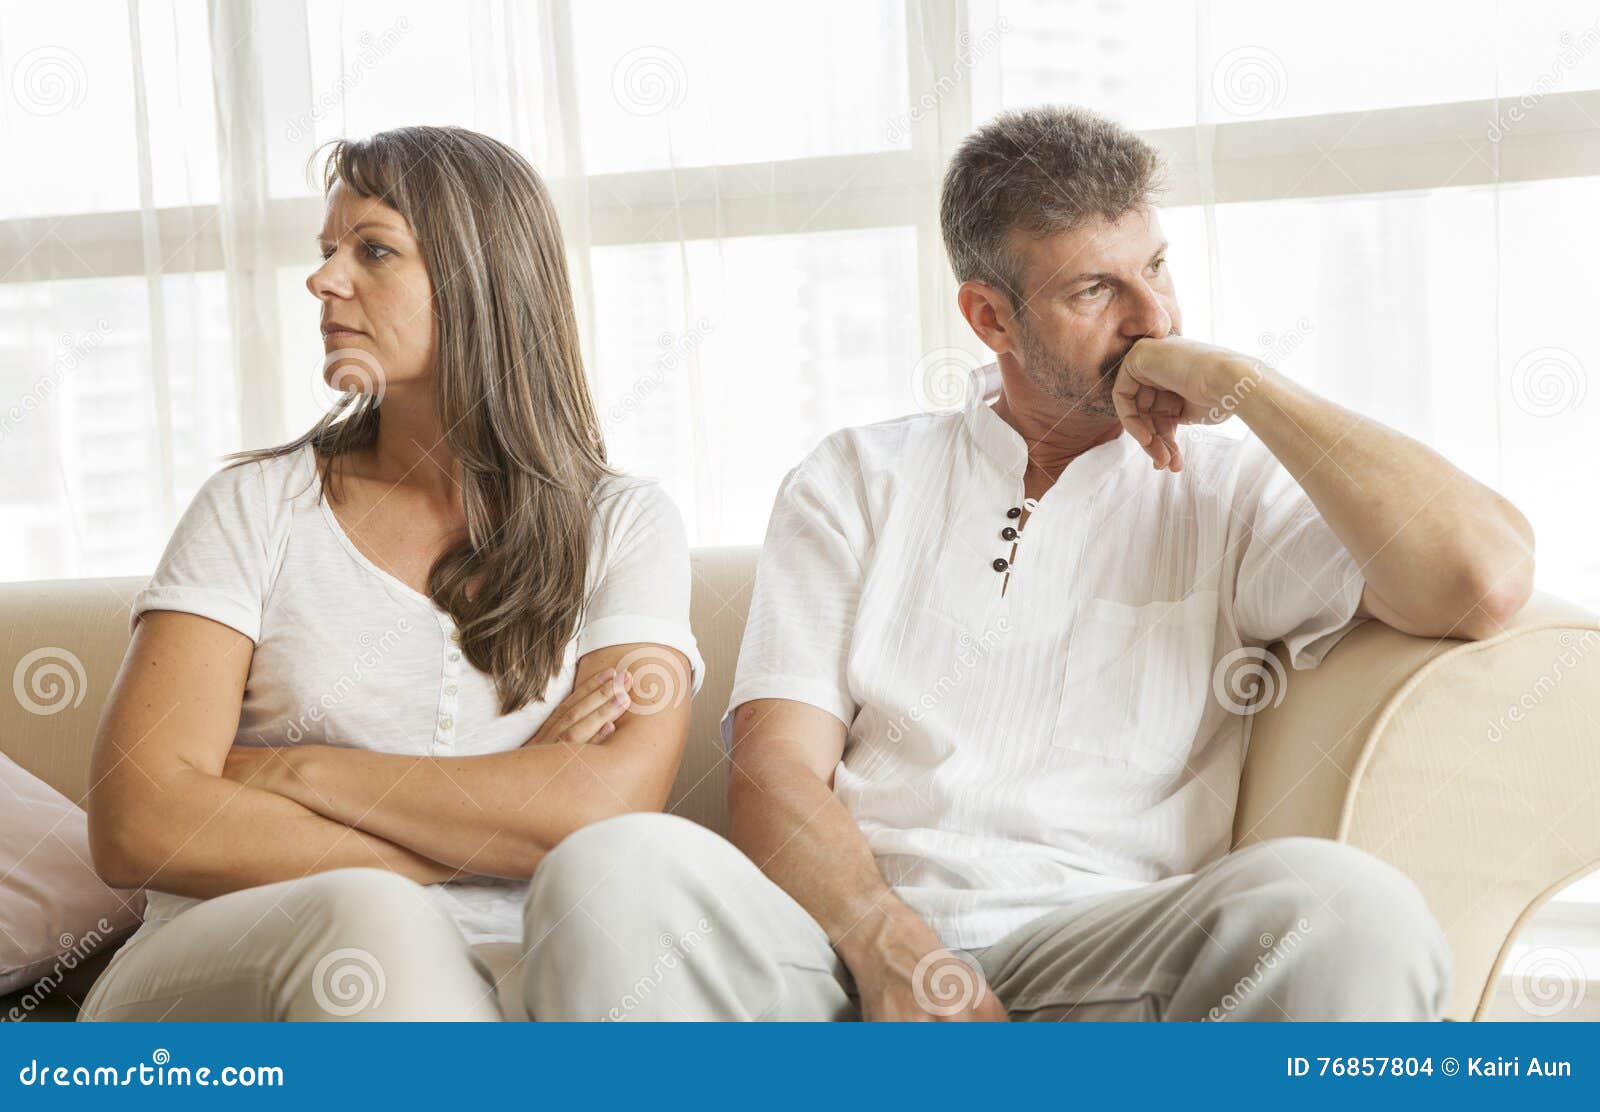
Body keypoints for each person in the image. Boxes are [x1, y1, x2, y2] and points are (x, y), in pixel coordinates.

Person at [521, 105, 1535, 1021]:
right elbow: (775, 771)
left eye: (1159, 268)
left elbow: (1480, 578)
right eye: (1097, 288)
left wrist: (1248, 384)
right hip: (841, 958)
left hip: (1109, 958)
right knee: (611, 866)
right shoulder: (856, 477)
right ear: (988, 317)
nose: (1154, 320)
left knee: (1350, 906)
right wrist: (892, 948)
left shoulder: (1232, 491)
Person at [80, 126, 702, 1022]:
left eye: (372, 251)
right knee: (371, 913)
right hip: (225, 957)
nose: (323, 280)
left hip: (508, 968)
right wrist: (501, 818)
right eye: (328, 251)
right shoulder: (252, 507)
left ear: (482, 279)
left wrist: (295, 774)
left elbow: (603, 814)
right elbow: (138, 822)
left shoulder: (624, 525)